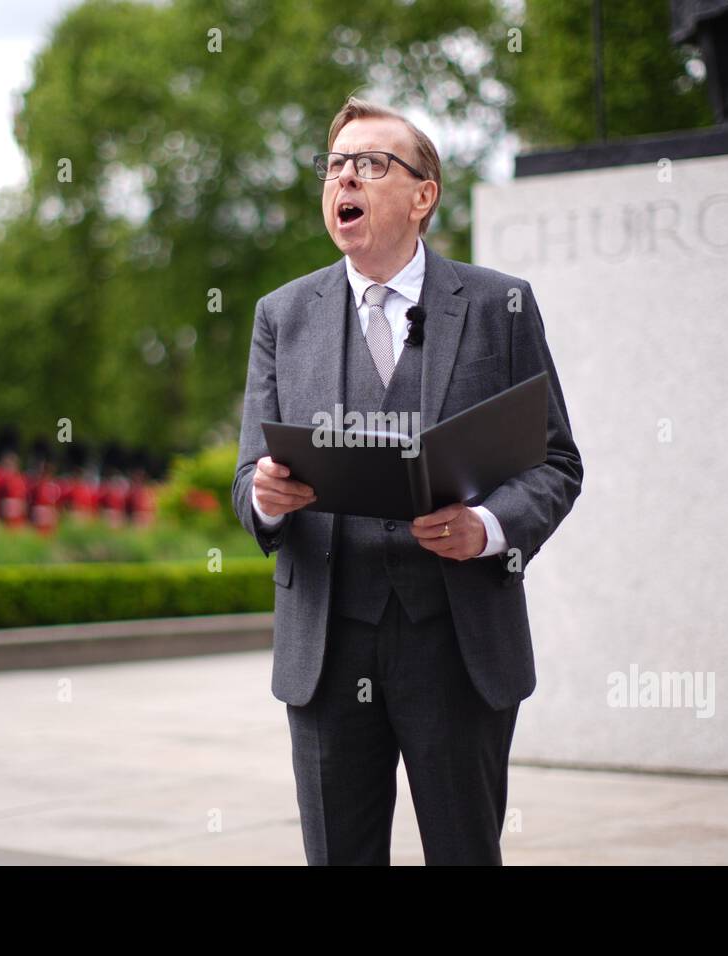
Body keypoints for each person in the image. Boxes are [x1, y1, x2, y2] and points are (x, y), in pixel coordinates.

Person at [232, 96, 582, 865]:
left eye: (368, 163)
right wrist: (264, 498)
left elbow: (557, 462)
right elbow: (246, 476)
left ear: (424, 194)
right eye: (333, 165)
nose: (342, 179)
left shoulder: (501, 306)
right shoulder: (281, 315)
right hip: (327, 646)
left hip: (458, 644)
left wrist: (487, 529)